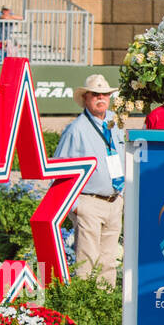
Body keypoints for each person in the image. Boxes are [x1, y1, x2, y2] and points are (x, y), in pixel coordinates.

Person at [53, 75, 126, 285]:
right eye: (95, 94)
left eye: (104, 94)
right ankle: (86, 302)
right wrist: (75, 205)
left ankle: (104, 305)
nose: (100, 98)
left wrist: (123, 196)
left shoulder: (116, 123)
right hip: (88, 201)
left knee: (109, 259)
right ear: (86, 98)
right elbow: (59, 167)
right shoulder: (76, 129)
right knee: (87, 259)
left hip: (114, 199)